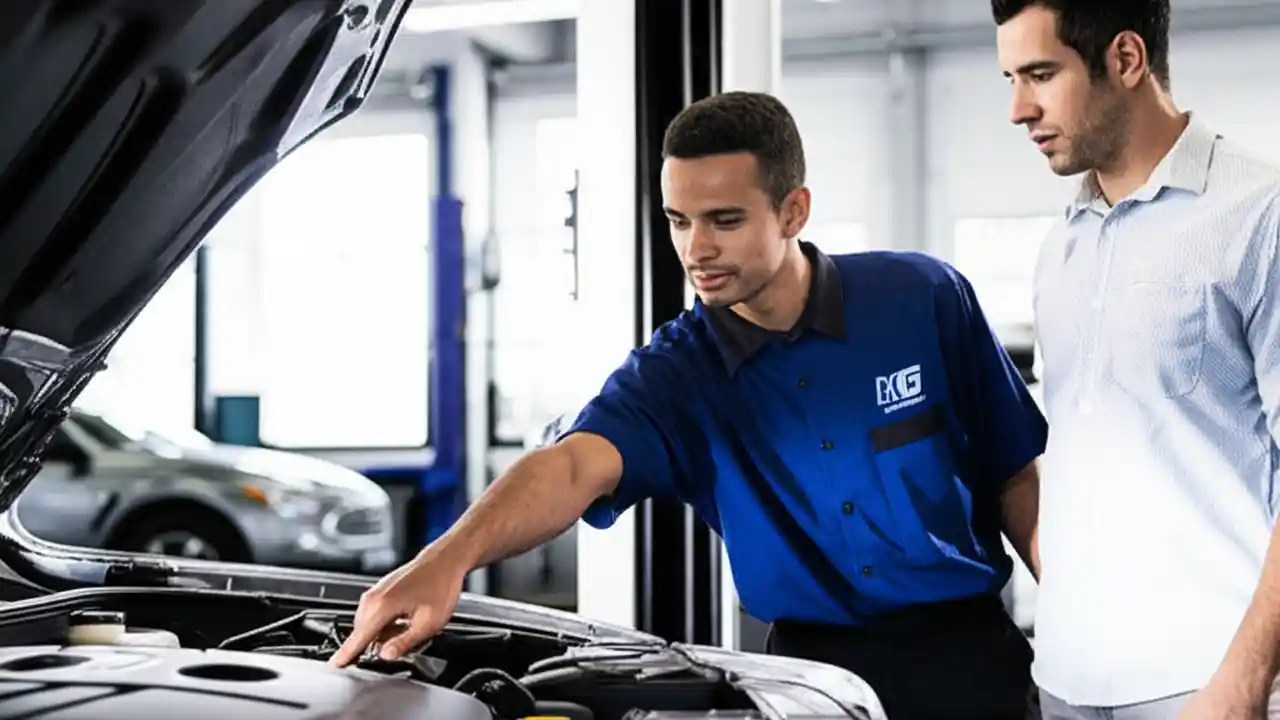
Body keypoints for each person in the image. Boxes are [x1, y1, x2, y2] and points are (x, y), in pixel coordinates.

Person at [329, 91, 1048, 719]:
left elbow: (1015, 472)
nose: (694, 249)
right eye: (678, 220)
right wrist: (447, 559)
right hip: (812, 678)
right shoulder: (676, 373)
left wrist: (1083, 626)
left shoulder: (923, 298)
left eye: (724, 220)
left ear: (793, 209)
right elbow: (572, 467)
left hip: (970, 663)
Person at [992, 1, 1280, 717]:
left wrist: (1241, 685)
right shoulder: (1062, 246)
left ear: (1125, 60)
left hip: (1205, 683)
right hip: (1067, 679)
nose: (1017, 109)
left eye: (1039, 74)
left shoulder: (1259, 214)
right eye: (1009, 78)